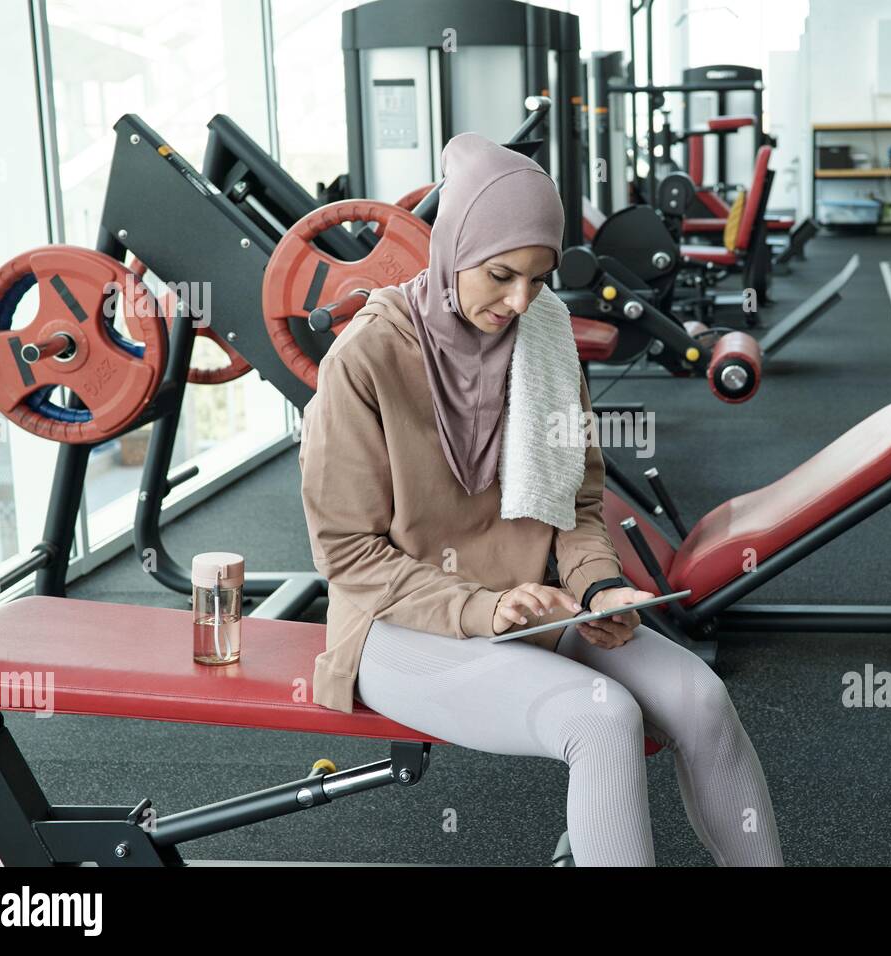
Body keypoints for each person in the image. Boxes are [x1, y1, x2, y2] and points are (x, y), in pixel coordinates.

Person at [297, 132, 782, 866]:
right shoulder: (366, 358)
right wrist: (482, 608)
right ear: (454, 245)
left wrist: (600, 586)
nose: (519, 300)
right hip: (399, 628)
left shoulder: (544, 331)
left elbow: (578, 503)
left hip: (536, 603)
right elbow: (347, 554)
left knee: (702, 698)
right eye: (500, 276)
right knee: (604, 718)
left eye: (538, 278)